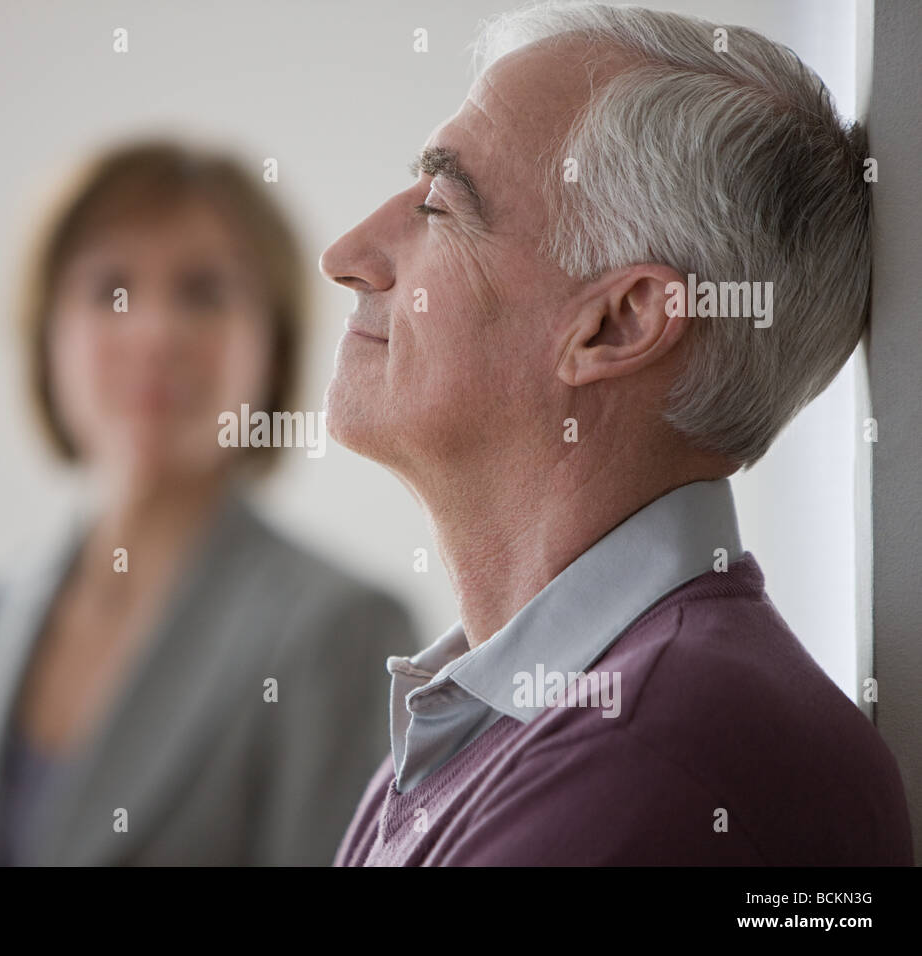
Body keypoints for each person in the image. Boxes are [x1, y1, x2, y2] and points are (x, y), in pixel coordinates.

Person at [321, 1, 912, 865]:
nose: (345, 253)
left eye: (442, 206)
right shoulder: (507, 720)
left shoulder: (668, 752)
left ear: (618, 324)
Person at [0, 138, 419, 866]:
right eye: (108, 288)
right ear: (45, 335)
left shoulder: (342, 633)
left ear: (273, 345)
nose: (152, 334)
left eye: (203, 292)